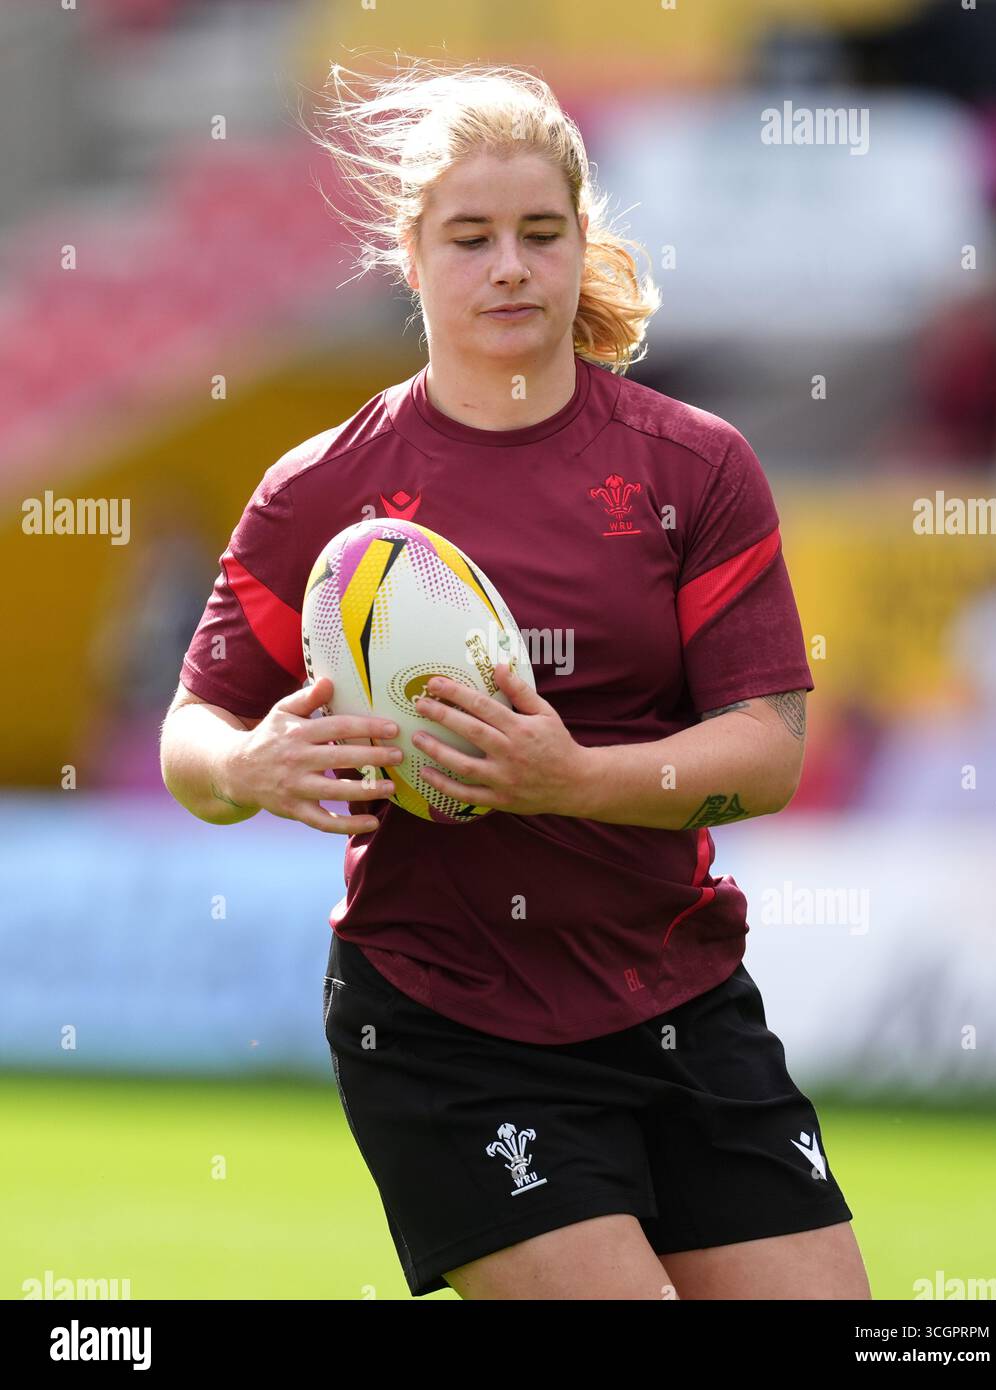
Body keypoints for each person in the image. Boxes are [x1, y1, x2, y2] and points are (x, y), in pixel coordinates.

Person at [160, 56, 871, 1301]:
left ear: (578, 240)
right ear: (411, 251)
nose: (508, 266)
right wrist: (247, 764)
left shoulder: (692, 466)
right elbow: (192, 733)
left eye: (540, 234)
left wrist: (571, 777)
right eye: (471, 236)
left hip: (678, 995)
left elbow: (765, 750)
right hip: (446, 1018)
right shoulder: (320, 487)